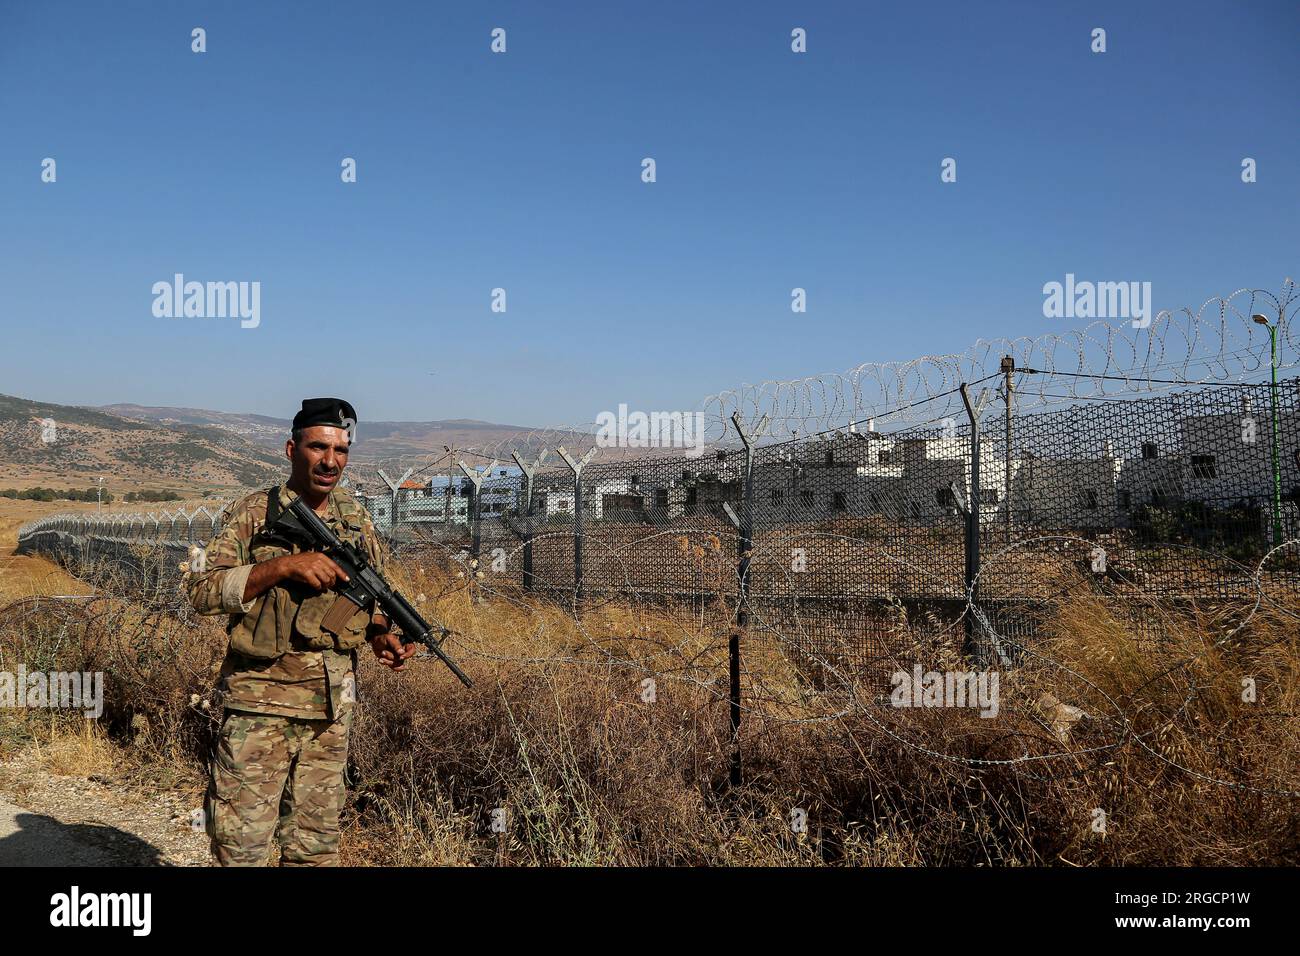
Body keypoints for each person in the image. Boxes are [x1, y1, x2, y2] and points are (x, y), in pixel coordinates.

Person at [183, 397, 415, 866]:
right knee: (240, 845)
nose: (330, 461)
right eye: (318, 447)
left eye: (341, 450)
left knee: (315, 847)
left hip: (330, 710)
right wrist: (283, 566)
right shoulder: (254, 514)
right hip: (259, 706)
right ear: (292, 449)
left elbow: (371, 598)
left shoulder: (356, 518)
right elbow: (201, 591)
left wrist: (379, 634)